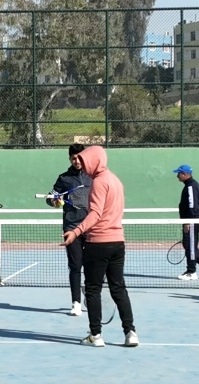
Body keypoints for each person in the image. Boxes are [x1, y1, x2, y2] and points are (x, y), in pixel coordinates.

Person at [63, 145, 136, 347]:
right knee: (119, 288)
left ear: (94, 161)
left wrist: (75, 232)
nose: (83, 166)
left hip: (98, 243)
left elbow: (95, 214)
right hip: (118, 242)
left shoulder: (98, 182)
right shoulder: (116, 181)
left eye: (85, 161)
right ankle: (130, 332)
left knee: (93, 290)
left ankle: (95, 335)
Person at [48, 144, 93, 314]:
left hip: (91, 227)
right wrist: (54, 201)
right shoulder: (63, 178)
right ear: (69, 159)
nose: (77, 161)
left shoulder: (93, 176)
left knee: (92, 267)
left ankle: (90, 295)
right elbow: (52, 197)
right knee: (75, 266)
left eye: (79, 157)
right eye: (73, 158)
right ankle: (76, 302)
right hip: (71, 228)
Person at [174, 164, 199, 279]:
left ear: (185, 174)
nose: (177, 176)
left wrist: (188, 221)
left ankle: (191, 272)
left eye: (179, 173)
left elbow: (192, 205)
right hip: (192, 220)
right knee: (188, 244)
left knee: (190, 245)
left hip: (192, 220)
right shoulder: (189, 185)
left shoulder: (191, 186)